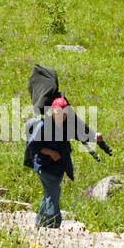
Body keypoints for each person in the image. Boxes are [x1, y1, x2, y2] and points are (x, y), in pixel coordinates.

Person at [23, 96, 103, 228]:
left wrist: (94, 137)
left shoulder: (67, 126)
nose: (62, 115)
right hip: (45, 166)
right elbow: (32, 145)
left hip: (59, 166)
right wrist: (50, 152)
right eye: (59, 112)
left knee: (49, 193)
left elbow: (80, 135)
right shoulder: (43, 126)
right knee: (54, 192)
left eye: (65, 112)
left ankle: (40, 221)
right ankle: (53, 225)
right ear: (53, 111)